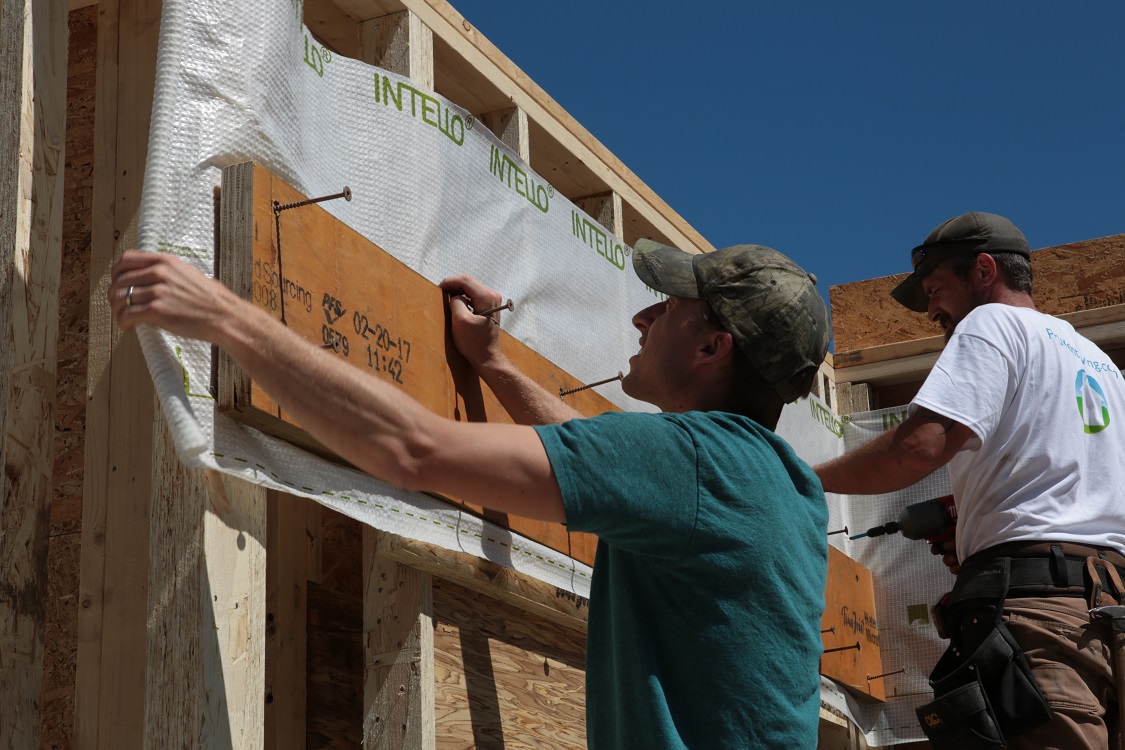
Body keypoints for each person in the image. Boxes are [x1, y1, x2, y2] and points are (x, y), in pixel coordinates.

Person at [109, 237, 831, 749]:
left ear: (711, 349)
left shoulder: (690, 464)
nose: (643, 319)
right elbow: (586, 457)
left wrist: (225, 317)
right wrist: (493, 365)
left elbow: (413, 448)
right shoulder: (782, 486)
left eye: (668, 306)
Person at [814, 211, 1125, 750]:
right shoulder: (1098, 363)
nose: (932, 309)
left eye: (936, 289)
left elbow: (920, 446)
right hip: (1110, 610)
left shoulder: (991, 324)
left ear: (984, 270)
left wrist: (801, 476)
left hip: (1042, 615)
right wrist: (980, 519)